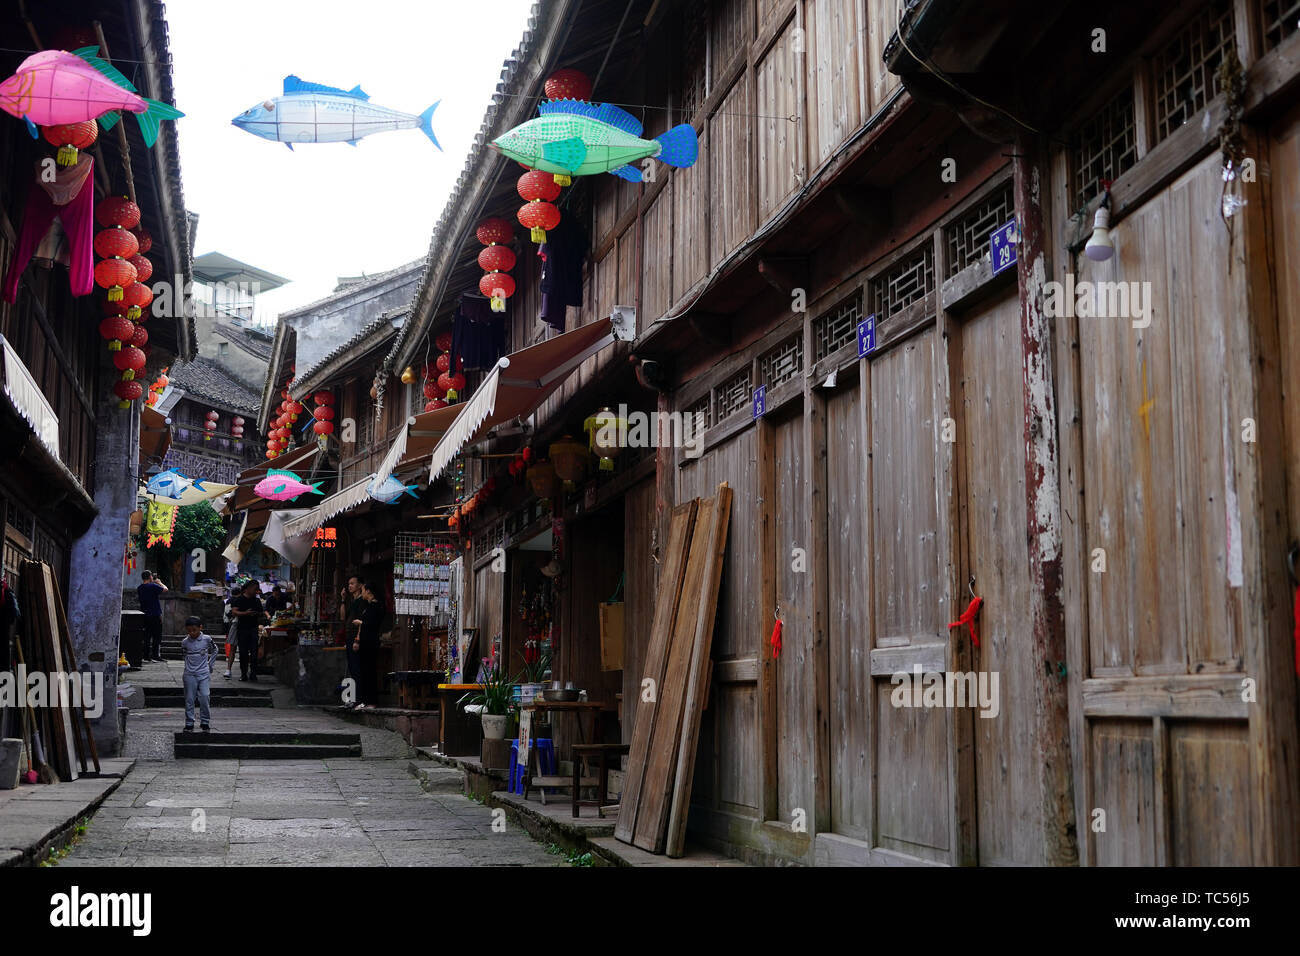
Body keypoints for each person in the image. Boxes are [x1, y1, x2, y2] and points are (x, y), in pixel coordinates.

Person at [180, 615, 218, 732]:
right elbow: (184, 655)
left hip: (203, 673)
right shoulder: (185, 642)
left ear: (200, 627)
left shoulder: (207, 639)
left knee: (205, 697)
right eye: (189, 630)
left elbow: (215, 649)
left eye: (194, 630)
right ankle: (189, 722)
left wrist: (210, 664)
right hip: (190, 674)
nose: (192, 633)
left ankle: (205, 722)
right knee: (190, 699)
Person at [351, 581, 384, 709]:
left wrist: (361, 622)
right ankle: (365, 700)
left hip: (371, 642)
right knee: (364, 671)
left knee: (370, 671)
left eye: (363, 590)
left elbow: (373, 624)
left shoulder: (376, 606)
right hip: (365, 642)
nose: (362, 593)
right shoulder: (369, 606)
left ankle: (372, 701)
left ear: (369, 591)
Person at [228, 579, 265, 682]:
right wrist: (246, 613)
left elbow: (261, 613)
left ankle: (253, 674)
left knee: (254, 652)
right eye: (255, 589)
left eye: (257, 589)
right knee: (243, 653)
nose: (256, 591)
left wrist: (257, 614)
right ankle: (243, 674)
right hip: (242, 629)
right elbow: (234, 612)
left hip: (253, 628)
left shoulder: (256, 600)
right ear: (248, 588)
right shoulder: (239, 599)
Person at [339, 574, 364, 703]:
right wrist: (343, 599)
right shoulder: (352, 601)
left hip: (355, 638)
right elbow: (343, 617)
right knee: (352, 668)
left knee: (356, 668)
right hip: (349, 637)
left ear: (360, 585)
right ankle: (354, 698)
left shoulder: (361, 601)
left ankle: (359, 699)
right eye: (349, 584)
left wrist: (357, 640)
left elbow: (361, 622)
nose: (350, 586)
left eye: (352, 583)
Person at [136, 571, 167, 663]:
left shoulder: (140, 588)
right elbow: (165, 589)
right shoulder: (153, 586)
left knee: (146, 636)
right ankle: (155, 655)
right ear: (150, 577)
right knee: (157, 636)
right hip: (154, 614)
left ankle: (146, 656)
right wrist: (159, 582)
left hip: (144, 615)